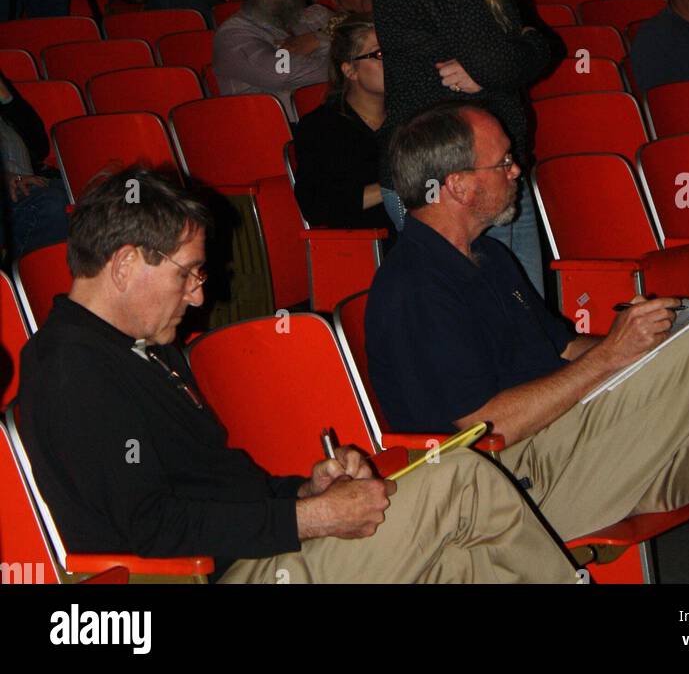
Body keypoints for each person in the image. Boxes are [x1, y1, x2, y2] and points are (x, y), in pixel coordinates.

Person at [366, 104, 689, 584]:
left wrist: (646, 340)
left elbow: (562, 349)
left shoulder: (488, 258)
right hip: (504, 486)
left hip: (571, 450)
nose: (517, 170)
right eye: (502, 163)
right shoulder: (416, 287)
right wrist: (614, 356)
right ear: (457, 186)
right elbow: (488, 425)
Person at [17, 166, 580, 586]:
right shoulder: (71, 368)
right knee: (459, 478)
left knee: (468, 564)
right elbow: (150, 528)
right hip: (203, 576)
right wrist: (308, 517)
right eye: (188, 273)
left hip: (250, 553)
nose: (199, 293)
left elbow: (217, 486)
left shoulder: (135, 349)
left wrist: (306, 491)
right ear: (123, 265)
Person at [372, 0, 563, 295]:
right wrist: (506, 61)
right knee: (513, 343)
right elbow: (505, 58)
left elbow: (530, 46)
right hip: (454, 178)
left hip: (464, 170)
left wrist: (506, 60)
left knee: (509, 341)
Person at [213, 0, 330, 119]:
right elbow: (282, 73)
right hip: (271, 136)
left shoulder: (318, 15)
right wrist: (346, 65)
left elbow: (360, 43)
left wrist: (319, 39)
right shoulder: (233, 35)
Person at [293, 16, 392, 232]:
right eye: (380, 54)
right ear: (350, 70)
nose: (394, 61)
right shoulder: (321, 128)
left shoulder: (408, 117)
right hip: (365, 246)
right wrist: (391, 189)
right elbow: (317, 207)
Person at [0, 72, 69, 258]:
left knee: (98, 194)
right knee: (51, 202)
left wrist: (7, 99)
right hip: (10, 198)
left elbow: (40, 147)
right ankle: (38, 279)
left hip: (30, 185)